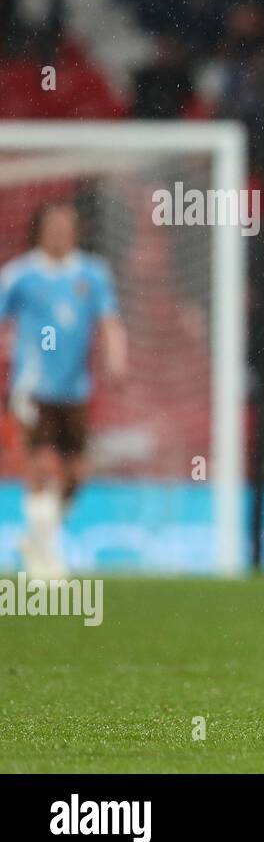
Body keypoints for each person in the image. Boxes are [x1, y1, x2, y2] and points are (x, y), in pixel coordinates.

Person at [0, 201, 126, 578]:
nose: (59, 233)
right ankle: (45, 562)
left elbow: (110, 321)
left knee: (77, 473)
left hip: (76, 389)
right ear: (40, 230)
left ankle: (40, 537)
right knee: (40, 466)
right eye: (53, 226)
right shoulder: (20, 275)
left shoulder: (93, 274)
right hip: (33, 387)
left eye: (66, 227)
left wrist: (117, 357)